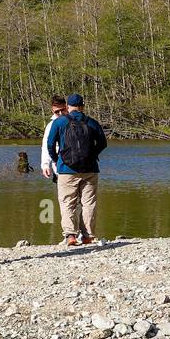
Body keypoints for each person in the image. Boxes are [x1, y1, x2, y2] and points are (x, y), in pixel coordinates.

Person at [45, 93, 108, 246]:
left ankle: (70, 235)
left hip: (66, 169)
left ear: (67, 106)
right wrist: (92, 154)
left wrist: (56, 159)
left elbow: (50, 144)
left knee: (68, 202)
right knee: (89, 203)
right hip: (90, 169)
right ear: (83, 106)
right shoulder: (92, 122)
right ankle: (87, 236)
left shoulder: (59, 122)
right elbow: (103, 143)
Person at [40, 96, 67, 180]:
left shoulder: (75, 121)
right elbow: (46, 147)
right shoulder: (50, 126)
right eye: (57, 111)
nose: (60, 113)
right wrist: (45, 165)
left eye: (62, 110)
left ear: (67, 107)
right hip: (59, 170)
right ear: (52, 111)